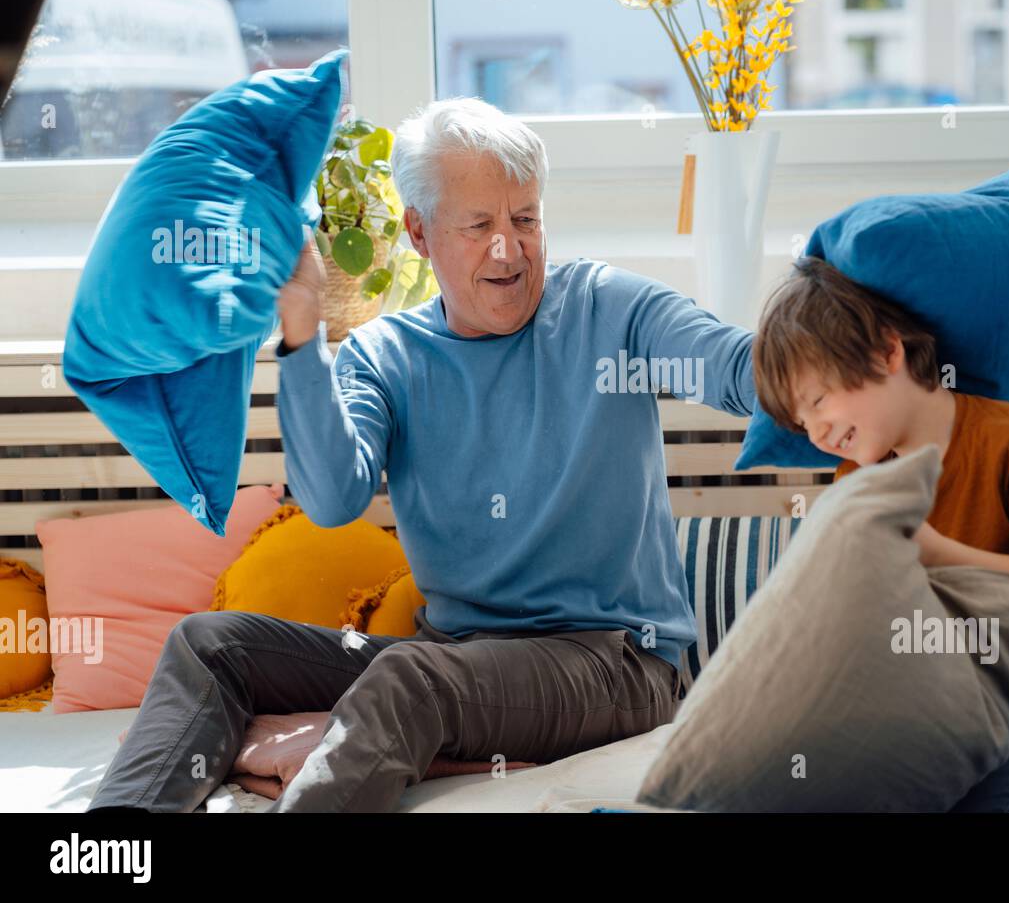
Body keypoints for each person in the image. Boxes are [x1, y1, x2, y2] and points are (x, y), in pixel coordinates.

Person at [86, 96, 757, 813]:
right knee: (209, 642)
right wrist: (304, 335)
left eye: (525, 218)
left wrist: (827, 351)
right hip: (451, 662)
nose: (509, 248)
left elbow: (734, 367)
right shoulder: (386, 353)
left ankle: (330, 750)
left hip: (609, 663)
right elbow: (332, 497)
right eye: (479, 226)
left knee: (411, 679)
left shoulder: (608, 307)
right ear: (418, 232)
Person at [751, 255, 1009, 813]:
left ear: (887, 352)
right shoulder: (857, 480)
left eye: (820, 399)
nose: (817, 431)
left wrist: (936, 553)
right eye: (801, 422)